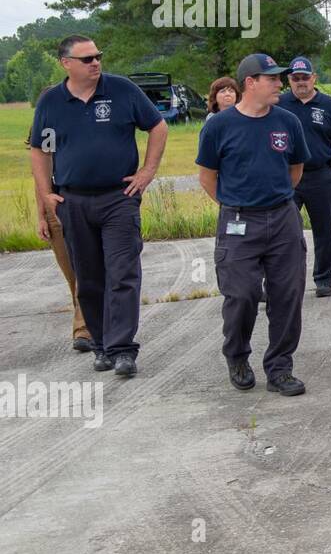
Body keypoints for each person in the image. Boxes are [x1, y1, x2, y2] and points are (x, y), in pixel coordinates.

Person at [28, 36, 167, 378]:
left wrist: (147, 172)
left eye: (98, 57)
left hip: (118, 198)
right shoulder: (51, 102)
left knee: (122, 273)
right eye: (87, 58)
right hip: (73, 200)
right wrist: (46, 195)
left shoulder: (121, 90)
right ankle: (101, 345)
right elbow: (41, 150)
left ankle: (122, 349)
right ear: (66, 64)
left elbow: (158, 126)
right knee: (88, 278)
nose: (95, 63)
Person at [196, 53, 309, 395]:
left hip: (283, 218)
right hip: (238, 221)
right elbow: (207, 176)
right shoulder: (219, 125)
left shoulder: (287, 122)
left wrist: (274, 201)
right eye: (272, 78)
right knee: (242, 294)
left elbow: (295, 170)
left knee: (287, 294)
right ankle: (237, 355)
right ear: (250, 83)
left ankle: (280, 367)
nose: (279, 84)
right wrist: (237, 205)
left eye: (279, 78)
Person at [278, 56, 331, 298]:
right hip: (288, 178)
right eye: (295, 78)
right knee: (283, 231)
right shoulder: (278, 104)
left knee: (324, 232)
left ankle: (323, 278)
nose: (300, 82)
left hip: (321, 176)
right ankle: (282, 281)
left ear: (314, 78)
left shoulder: (329, 105)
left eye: (305, 77)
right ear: (288, 80)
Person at [26, 87, 91, 353]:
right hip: (55, 206)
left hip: (81, 201)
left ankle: (86, 327)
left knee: (90, 269)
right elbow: (39, 174)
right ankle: (85, 323)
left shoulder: (81, 126)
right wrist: (41, 213)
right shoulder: (42, 135)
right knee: (73, 273)